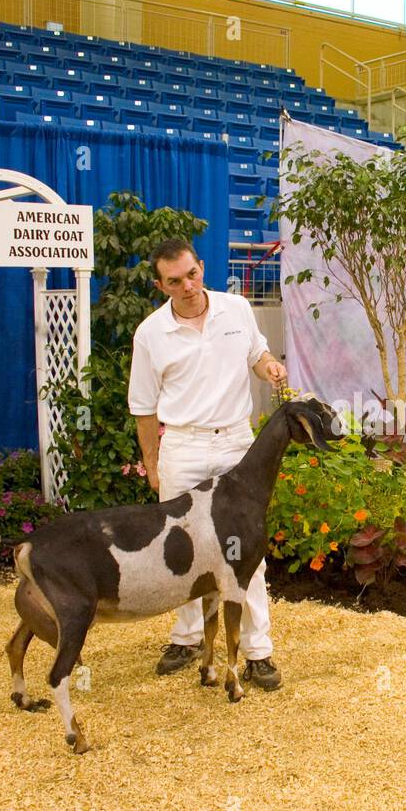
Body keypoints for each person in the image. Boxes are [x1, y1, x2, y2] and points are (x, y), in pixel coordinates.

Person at [127, 237, 287, 689]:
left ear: (201, 265)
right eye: (175, 281)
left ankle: (258, 652)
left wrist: (270, 367)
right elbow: (143, 407)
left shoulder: (236, 309)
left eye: (192, 274)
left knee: (246, 554)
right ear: (162, 285)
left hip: (237, 444)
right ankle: (188, 635)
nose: (188, 285)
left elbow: (257, 356)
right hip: (184, 447)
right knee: (178, 549)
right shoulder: (150, 334)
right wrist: (153, 463)